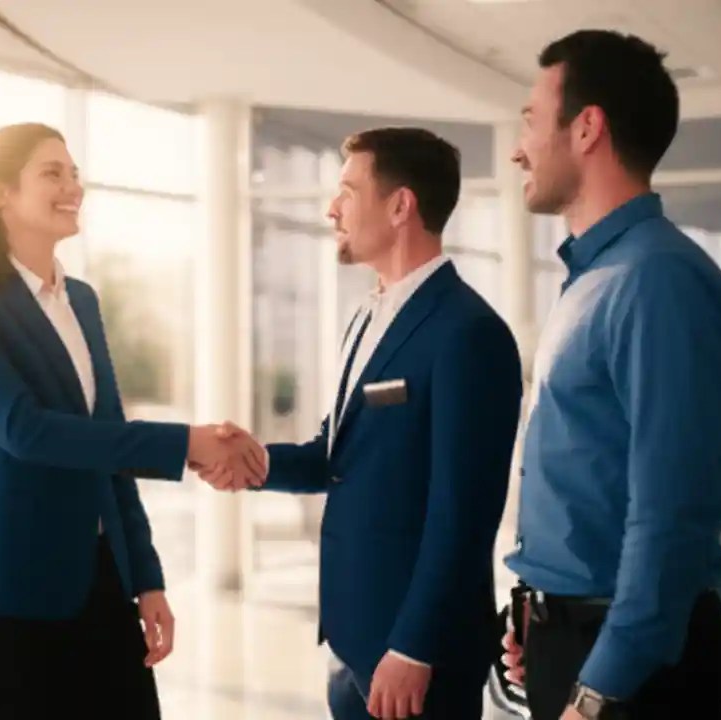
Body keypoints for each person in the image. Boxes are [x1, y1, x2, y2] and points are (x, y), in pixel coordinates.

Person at [0, 122, 266, 719]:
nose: (72, 186)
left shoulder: (80, 299)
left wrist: (147, 579)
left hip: (101, 590)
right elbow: (25, 431)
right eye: (51, 173)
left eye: (74, 173)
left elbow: (108, 442)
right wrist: (185, 442)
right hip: (12, 603)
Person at [196, 127, 523, 719]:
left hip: (416, 658)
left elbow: (465, 513)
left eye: (348, 190)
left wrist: (414, 646)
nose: (331, 208)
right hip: (352, 644)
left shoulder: (469, 333)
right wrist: (255, 462)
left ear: (400, 206)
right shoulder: (364, 318)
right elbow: (339, 454)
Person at [499, 30, 721, 720]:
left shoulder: (657, 280)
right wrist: (538, 613)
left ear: (587, 128)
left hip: (631, 670)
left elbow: (673, 511)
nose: (520, 147)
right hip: (574, 639)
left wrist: (602, 686)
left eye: (530, 121)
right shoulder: (595, 276)